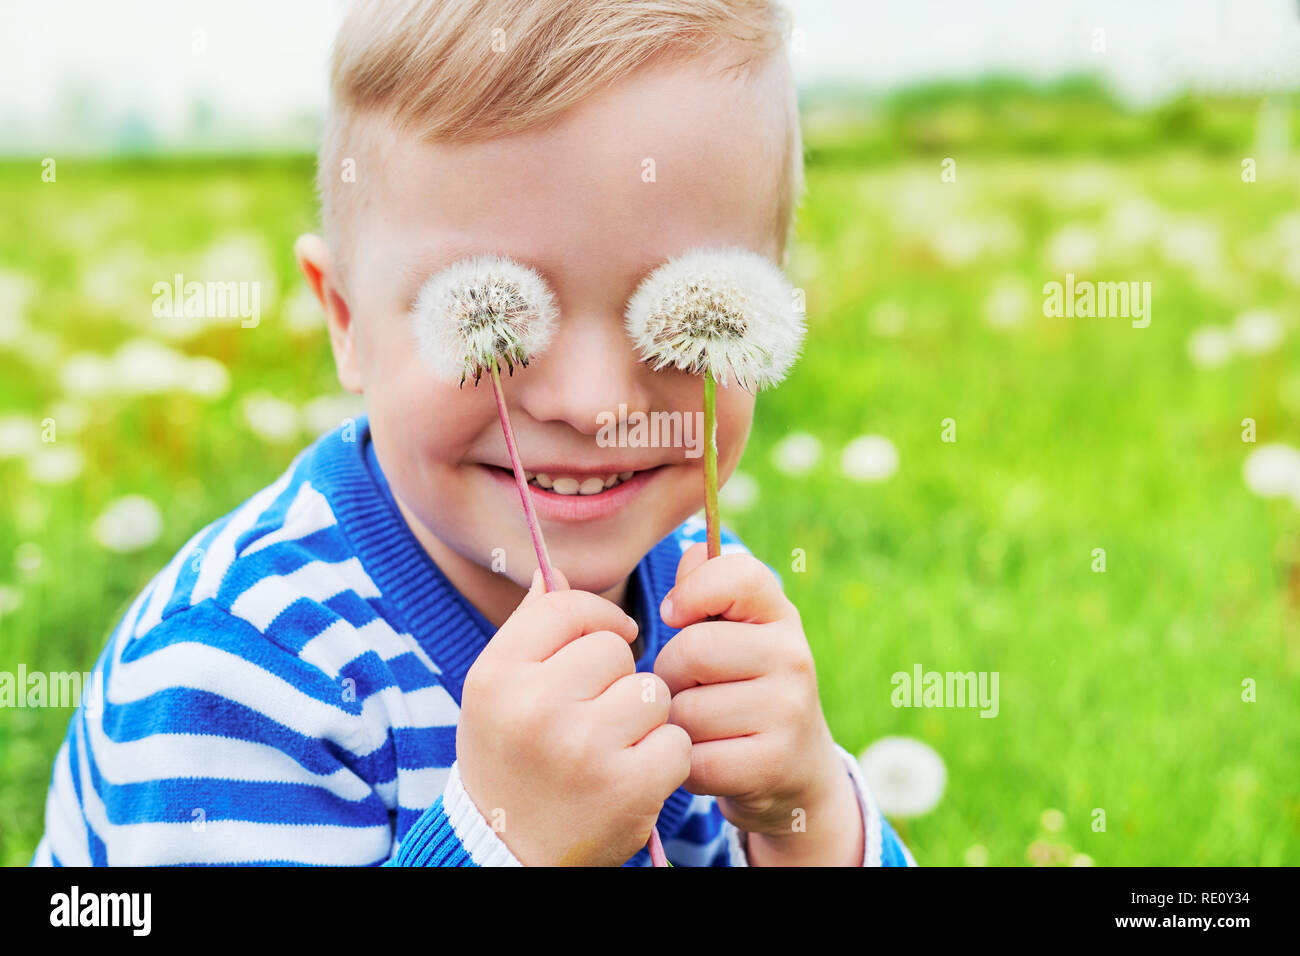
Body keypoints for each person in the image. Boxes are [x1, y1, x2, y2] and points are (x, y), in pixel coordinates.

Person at [32, 0, 914, 867]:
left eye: (686, 313)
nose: (594, 404)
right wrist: (500, 842)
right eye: (493, 314)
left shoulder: (698, 593)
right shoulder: (243, 671)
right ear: (345, 319)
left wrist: (806, 817)